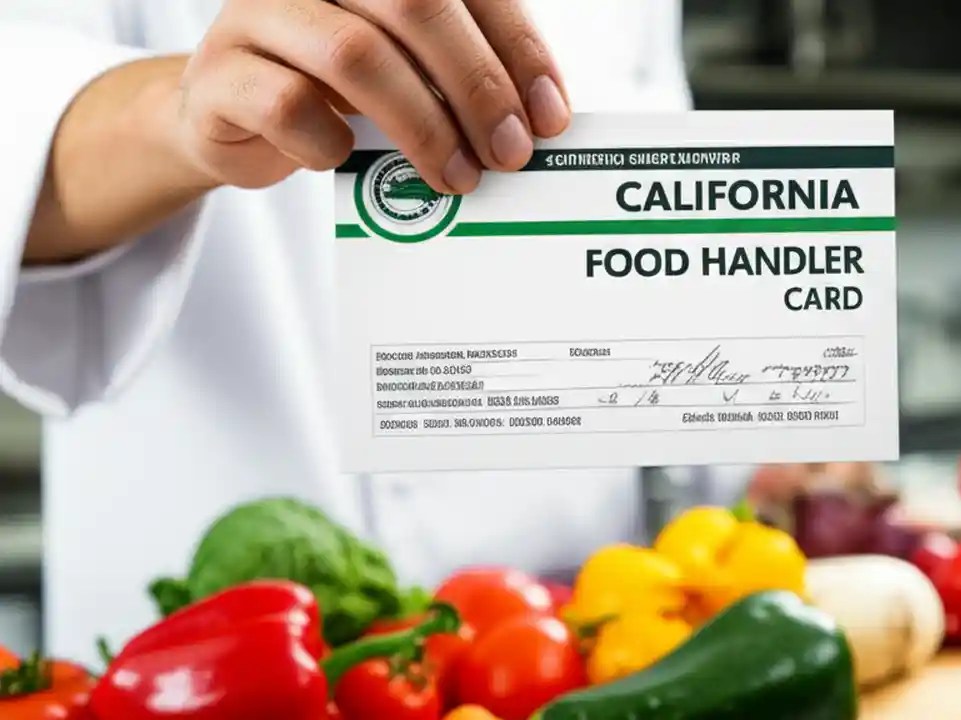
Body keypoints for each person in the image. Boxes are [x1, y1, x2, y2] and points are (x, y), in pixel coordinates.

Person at [0, 0, 690, 664]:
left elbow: (656, 240)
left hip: (573, 641)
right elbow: (19, 124)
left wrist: (737, 447)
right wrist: (180, 110)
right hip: (199, 656)